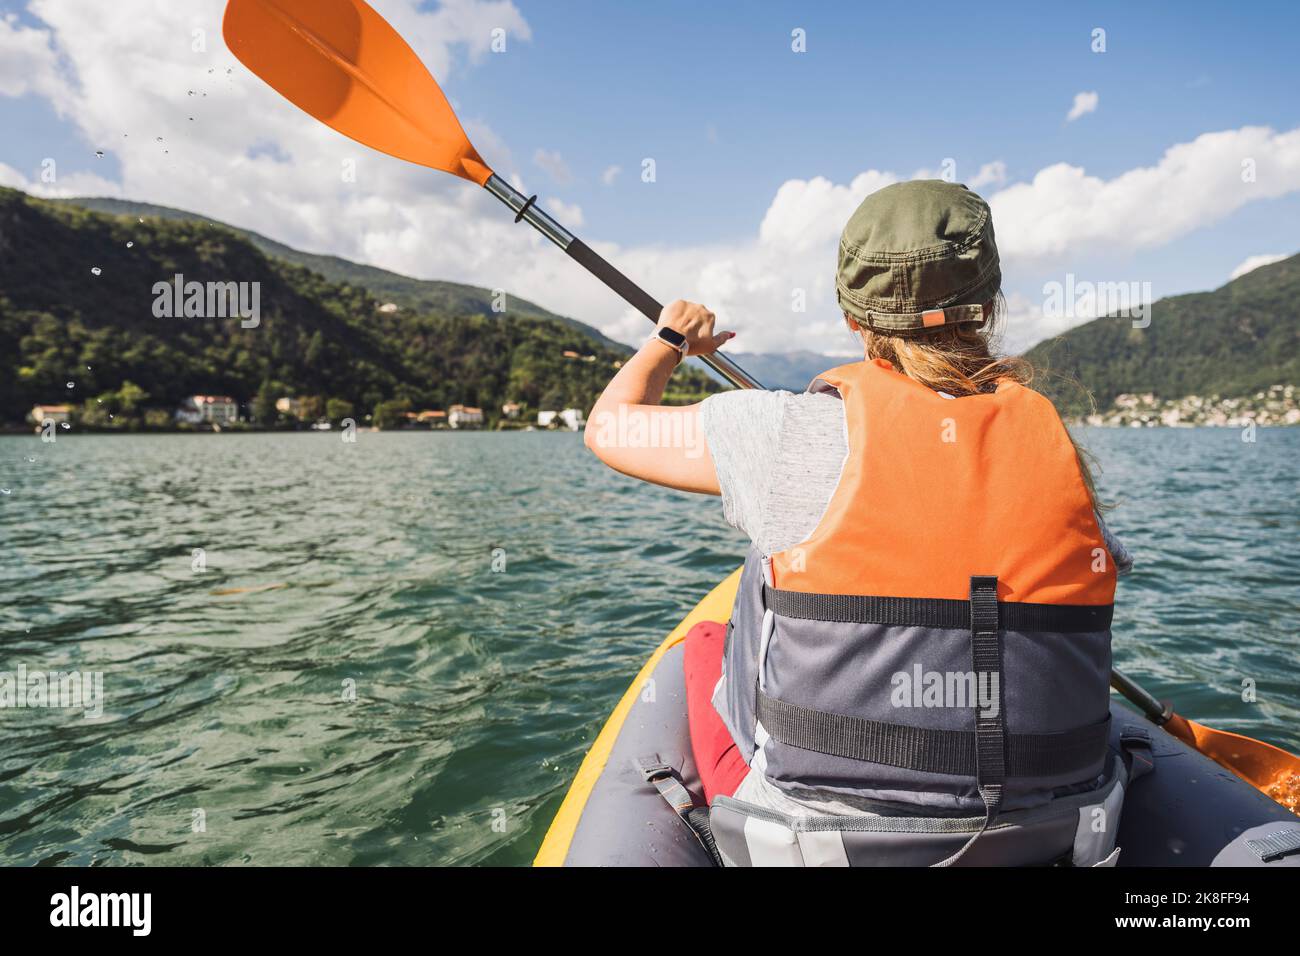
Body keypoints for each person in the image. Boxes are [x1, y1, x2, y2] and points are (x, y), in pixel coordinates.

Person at [584, 180, 1134, 866]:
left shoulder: (789, 432)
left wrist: (669, 341)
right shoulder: (1058, 451)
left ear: (853, 316)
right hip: (1057, 833)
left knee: (699, 645)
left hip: (824, 842)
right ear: (989, 304)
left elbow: (609, 428)